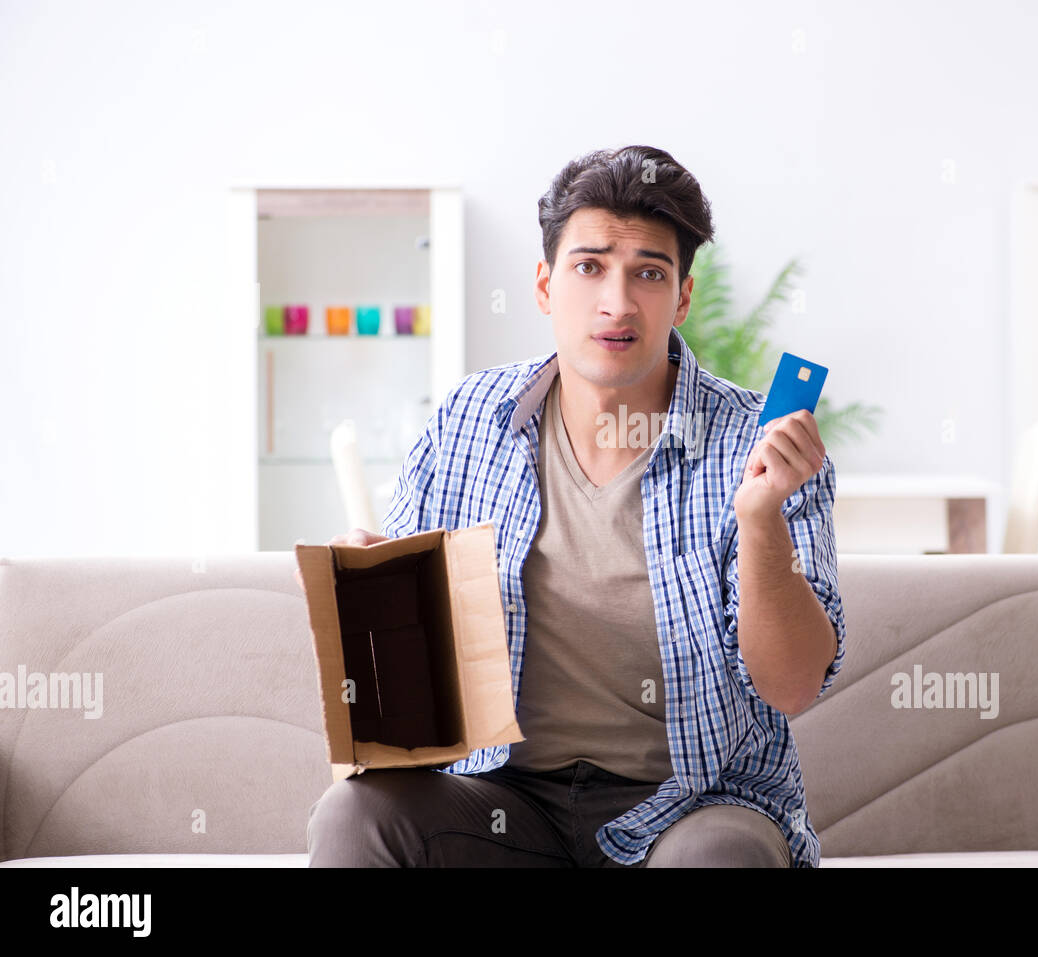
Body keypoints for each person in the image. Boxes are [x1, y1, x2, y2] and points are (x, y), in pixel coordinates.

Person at [303, 144, 846, 868]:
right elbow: (414, 673)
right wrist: (375, 588)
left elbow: (794, 684)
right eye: (589, 266)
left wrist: (759, 521)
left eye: (648, 273)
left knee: (720, 858)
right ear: (544, 284)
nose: (616, 302)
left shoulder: (763, 448)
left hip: (690, 805)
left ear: (682, 296)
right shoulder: (469, 419)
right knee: (355, 815)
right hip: (503, 802)